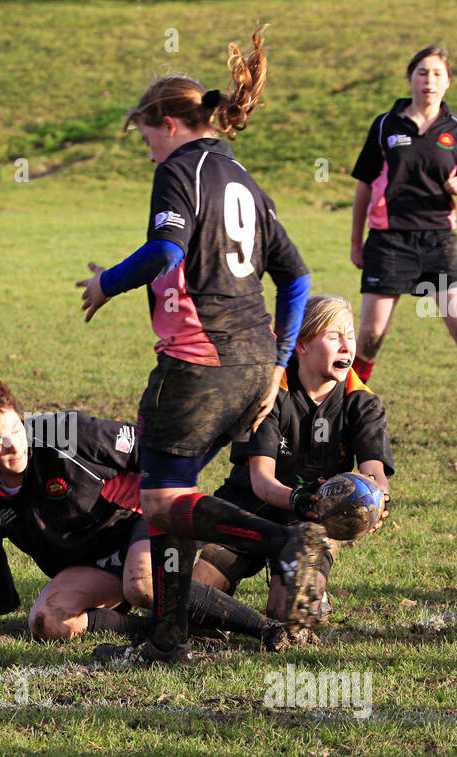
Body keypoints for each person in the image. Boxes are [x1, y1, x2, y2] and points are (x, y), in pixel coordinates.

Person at [76, 24, 329, 665]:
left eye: (145, 136)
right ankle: (169, 637)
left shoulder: (181, 171)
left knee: (161, 500)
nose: (147, 150)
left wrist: (106, 283)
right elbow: (296, 278)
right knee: (175, 499)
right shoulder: (243, 178)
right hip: (249, 366)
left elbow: (166, 250)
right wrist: (276, 364)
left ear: (167, 123)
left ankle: (284, 544)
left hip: (198, 363)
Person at [0, 379, 290, 648]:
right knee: (47, 622)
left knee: (144, 585)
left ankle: (268, 630)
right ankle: (154, 630)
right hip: (91, 563)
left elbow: (146, 448)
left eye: (17, 429)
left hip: (139, 522)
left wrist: (168, 500)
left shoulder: (64, 432)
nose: (15, 445)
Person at [194, 294, 393, 645]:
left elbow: (374, 470)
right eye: (334, 337)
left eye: (350, 334)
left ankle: (309, 591)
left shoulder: (362, 401)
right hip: (248, 510)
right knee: (193, 604)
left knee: (291, 623)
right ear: (300, 344)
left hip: (310, 525)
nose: (348, 345)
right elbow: (261, 481)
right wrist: (301, 498)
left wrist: (376, 498)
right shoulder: (268, 393)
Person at [349, 45, 457, 445]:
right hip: (389, 242)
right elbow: (362, 187)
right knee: (370, 336)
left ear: (448, 82)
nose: (429, 81)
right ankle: (342, 420)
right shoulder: (385, 126)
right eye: (422, 73)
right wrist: (356, 242)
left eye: (437, 74)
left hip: (440, 242)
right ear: (410, 78)